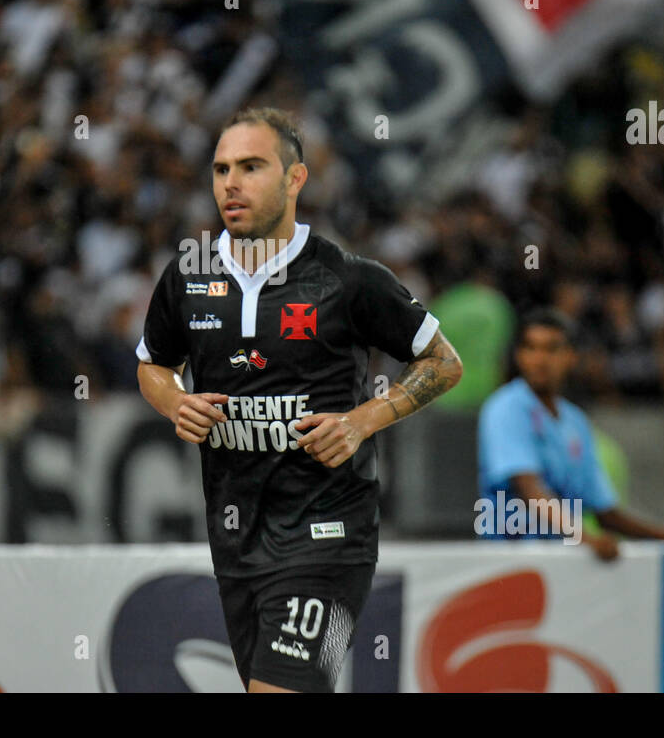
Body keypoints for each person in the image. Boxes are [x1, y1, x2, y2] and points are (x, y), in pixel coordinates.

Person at [136, 107, 463, 693]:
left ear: (295, 179)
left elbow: (443, 362)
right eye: (220, 169)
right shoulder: (188, 275)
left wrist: (363, 421)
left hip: (332, 538)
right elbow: (153, 365)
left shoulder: (348, 278)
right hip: (236, 537)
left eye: (251, 167)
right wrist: (173, 402)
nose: (230, 183)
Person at [477, 308, 664, 561]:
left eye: (551, 349)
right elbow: (529, 489)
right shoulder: (505, 407)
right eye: (530, 348)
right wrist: (584, 538)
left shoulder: (575, 422)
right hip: (509, 563)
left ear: (571, 356)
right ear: (519, 355)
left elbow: (607, 515)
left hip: (563, 563)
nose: (539, 359)